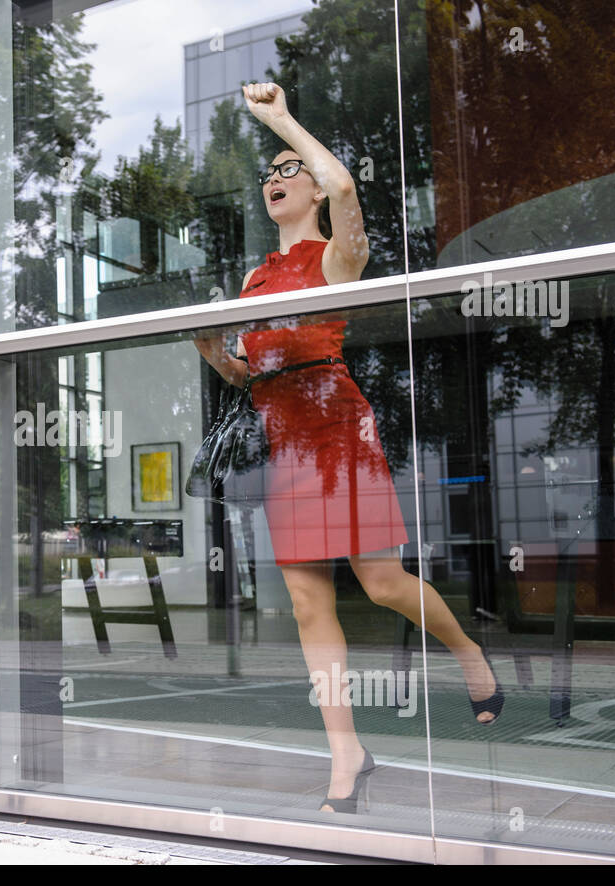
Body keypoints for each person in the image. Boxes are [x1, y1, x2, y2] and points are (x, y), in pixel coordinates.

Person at [194, 82, 504, 815]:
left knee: (382, 584)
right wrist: (212, 347)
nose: (275, 176)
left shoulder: (335, 256)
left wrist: (279, 120)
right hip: (280, 436)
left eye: (286, 168)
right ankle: (346, 753)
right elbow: (247, 374)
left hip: (337, 430)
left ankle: (466, 651)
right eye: (266, 172)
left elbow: (339, 181)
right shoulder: (255, 279)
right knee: (307, 604)